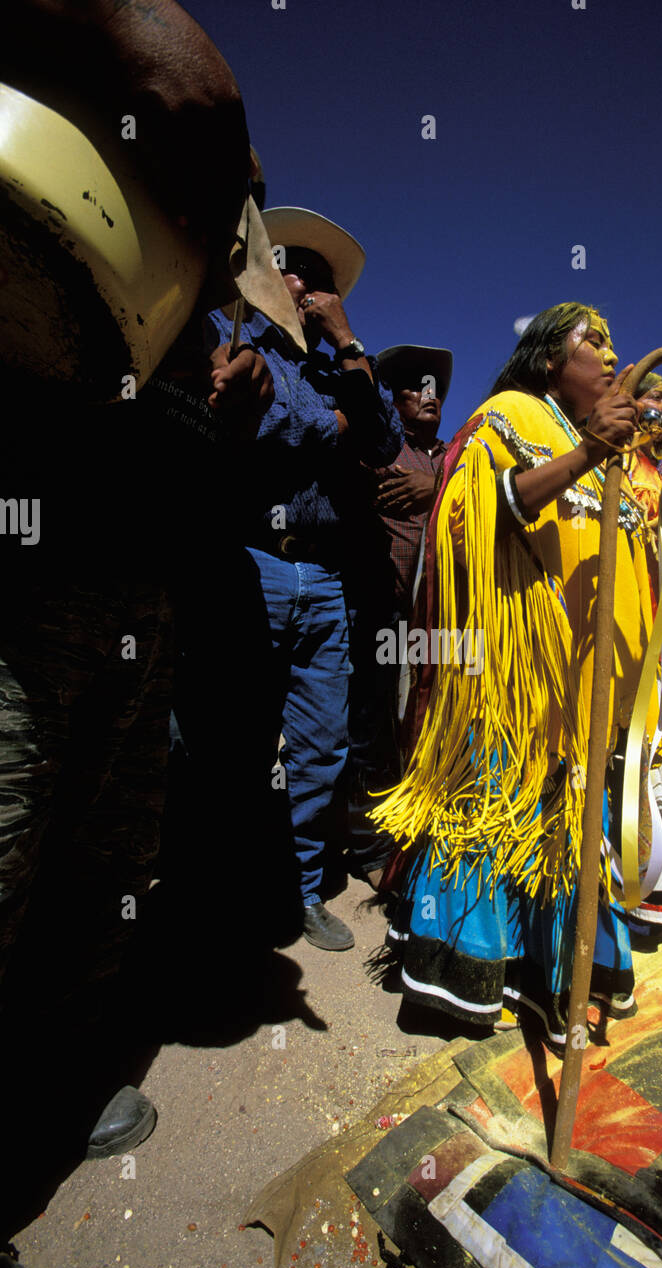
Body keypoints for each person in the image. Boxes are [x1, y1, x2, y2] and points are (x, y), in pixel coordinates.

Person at [0, 0, 280, 1211]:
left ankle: (49, 1088)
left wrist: (210, 419)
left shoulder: (191, 311)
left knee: (100, 857)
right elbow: (185, 79)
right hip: (23, 556)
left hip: (133, 580)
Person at [374, 303, 662, 1045]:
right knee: (494, 813)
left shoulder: (613, 458)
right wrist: (584, 457)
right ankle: (467, 971)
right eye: (591, 342)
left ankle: (548, 975)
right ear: (547, 361)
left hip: (584, 687)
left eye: (613, 343)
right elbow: (473, 516)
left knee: (567, 830)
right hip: (513, 677)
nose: (610, 356)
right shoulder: (508, 415)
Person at [211, 208, 404, 947]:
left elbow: (383, 442)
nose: (303, 286)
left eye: (318, 281)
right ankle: (228, 890)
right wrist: (336, 422)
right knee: (236, 735)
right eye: (292, 268)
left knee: (321, 744)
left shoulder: (344, 363)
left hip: (324, 578)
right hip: (254, 560)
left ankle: (297, 893)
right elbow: (266, 426)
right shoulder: (242, 340)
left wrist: (350, 344)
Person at [376, 345, 453, 616]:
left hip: (444, 611)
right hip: (384, 609)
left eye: (436, 390)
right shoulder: (381, 447)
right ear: (393, 401)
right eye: (419, 388)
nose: (430, 396)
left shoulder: (459, 455)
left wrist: (435, 488)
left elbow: (487, 496)